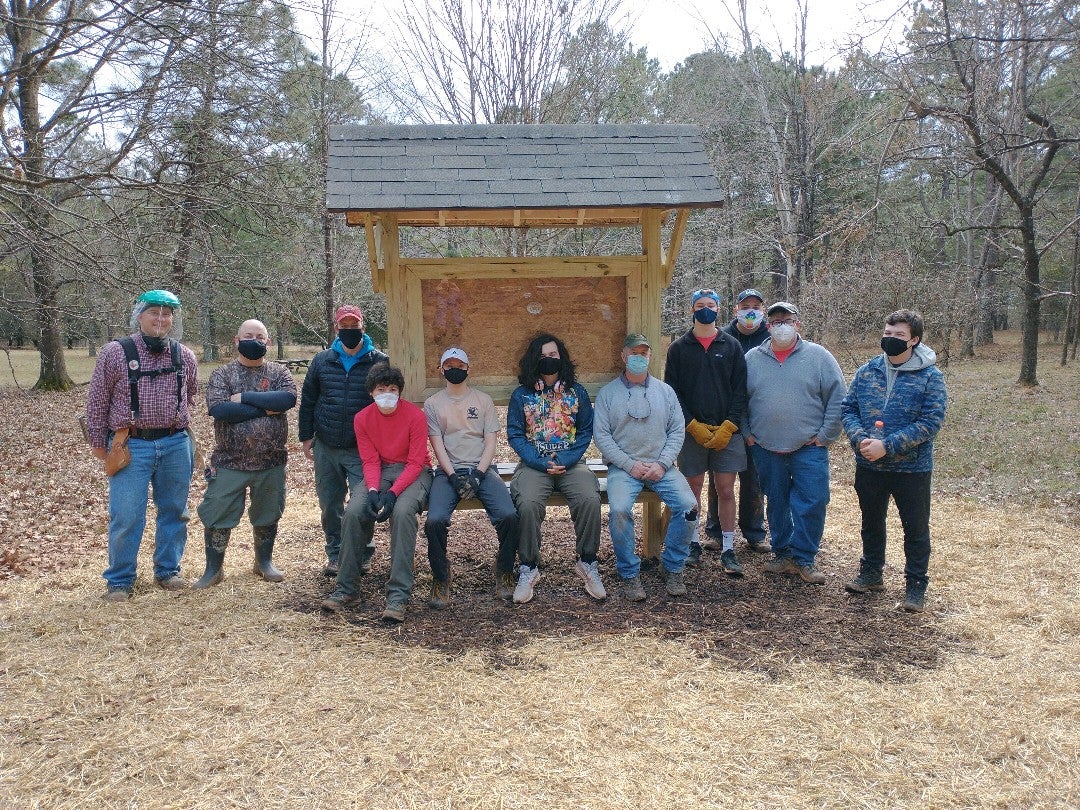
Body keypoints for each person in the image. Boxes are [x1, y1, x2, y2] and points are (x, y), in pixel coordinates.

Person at [85, 290, 198, 601]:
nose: (160, 319)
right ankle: (120, 580)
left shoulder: (185, 355)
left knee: (175, 510)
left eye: (166, 314)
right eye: (154, 312)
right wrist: (99, 444)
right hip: (131, 444)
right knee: (127, 514)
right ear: (140, 315)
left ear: (173, 319)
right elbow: (97, 402)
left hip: (176, 443)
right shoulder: (114, 353)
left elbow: (189, 396)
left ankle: (168, 571)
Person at [840, 309, 947, 612]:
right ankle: (871, 573)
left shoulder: (930, 377)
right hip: (869, 465)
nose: (891, 339)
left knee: (915, 528)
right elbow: (848, 409)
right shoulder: (867, 371)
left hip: (911, 468)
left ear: (914, 340)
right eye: (887, 333)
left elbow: (931, 422)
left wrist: (888, 446)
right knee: (871, 522)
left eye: (899, 335)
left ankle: (915, 587)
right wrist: (860, 439)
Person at [743, 302, 846, 584]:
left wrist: (826, 435)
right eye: (775, 322)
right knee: (776, 501)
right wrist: (747, 433)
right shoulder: (752, 358)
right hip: (765, 446)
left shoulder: (819, 357)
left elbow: (838, 397)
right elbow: (738, 398)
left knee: (813, 501)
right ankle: (782, 552)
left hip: (808, 448)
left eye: (787, 320)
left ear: (798, 324)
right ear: (768, 326)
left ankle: (804, 557)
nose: (782, 326)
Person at [320, 363, 432, 623]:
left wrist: (393, 494)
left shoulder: (415, 416)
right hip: (380, 471)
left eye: (393, 389)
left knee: (403, 513)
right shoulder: (363, 418)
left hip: (415, 472)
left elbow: (417, 462)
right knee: (353, 512)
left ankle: (398, 595)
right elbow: (369, 460)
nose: (387, 394)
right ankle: (346, 588)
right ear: (371, 392)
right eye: (381, 389)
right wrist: (372, 490)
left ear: (400, 392)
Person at [193, 319, 297, 589]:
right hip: (230, 461)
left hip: (271, 460)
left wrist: (243, 397)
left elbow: (286, 400)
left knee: (268, 513)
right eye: (248, 335)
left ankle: (263, 563)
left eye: (260, 336)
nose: (255, 340)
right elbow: (221, 411)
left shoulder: (279, 373)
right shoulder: (222, 375)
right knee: (217, 513)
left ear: (268, 342)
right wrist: (265, 406)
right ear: (237, 341)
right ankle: (213, 570)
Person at [595, 334, 699, 601]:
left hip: (662, 468)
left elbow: (677, 430)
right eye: (634, 352)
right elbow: (602, 437)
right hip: (623, 469)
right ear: (623, 356)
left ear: (651, 357)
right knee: (618, 510)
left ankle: (673, 566)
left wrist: (662, 464)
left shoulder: (665, 392)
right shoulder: (608, 394)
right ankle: (629, 573)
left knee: (689, 507)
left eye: (644, 353)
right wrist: (629, 465)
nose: (639, 358)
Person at [506, 333, 604, 604]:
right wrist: (539, 461)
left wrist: (567, 460)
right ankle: (529, 567)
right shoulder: (522, 394)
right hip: (534, 464)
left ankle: (587, 562)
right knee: (526, 502)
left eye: (553, 355)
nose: (548, 360)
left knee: (589, 498)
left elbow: (585, 430)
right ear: (533, 360)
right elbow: (514, 434)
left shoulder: (577, 392)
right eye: (543, 356)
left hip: (571, 463)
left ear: (561, 357)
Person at [423, 348, 519, 605]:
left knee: (509, 515)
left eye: (460, 364)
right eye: (449, 364)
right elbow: (437, 445)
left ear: (469, 368)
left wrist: (478, 474)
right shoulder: (433, 404)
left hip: (483, 470)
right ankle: (441, 576)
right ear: (440, 369)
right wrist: (453, 476)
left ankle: (505, 568)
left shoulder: (483, 400)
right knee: (435, 521)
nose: (455, 368)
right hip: (448, 473)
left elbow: (490, 442)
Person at [298, 304, 388, 577]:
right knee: (330, 504)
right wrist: (305, 437)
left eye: (354, 324)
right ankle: (335, 554)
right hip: (326, 444)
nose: (350, 330)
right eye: (344, 325)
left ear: (363, 326)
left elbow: (388, 403)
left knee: (362, 503)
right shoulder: (322, 360)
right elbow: (309, 399)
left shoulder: (379, 361)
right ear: (337, 328)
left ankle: (362, 552)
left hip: (363, 448)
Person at [664, 289, 748, 575]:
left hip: (727, 433)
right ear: (691, 310)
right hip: (692, 433)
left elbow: (740, 391)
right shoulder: (678, 348)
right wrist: (691, 425)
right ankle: (693, 544)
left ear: (720, 309)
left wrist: (729, 426)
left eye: (711, 306)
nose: (705, 310)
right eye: (700, 306)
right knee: (693, 491)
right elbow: (672, 392)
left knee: (725, 490)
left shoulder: (732, 346)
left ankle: (727, 548)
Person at [711, 288, 771, 553]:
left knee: (753, 478)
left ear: (763, 309)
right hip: (726, 416)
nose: (751, 310)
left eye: (756, 306)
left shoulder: (771, 336)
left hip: (758, 417)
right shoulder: (722, 336)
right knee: (720, 478)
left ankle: (754, 532)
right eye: (745, 305)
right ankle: (715, 531)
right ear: (735, 309)